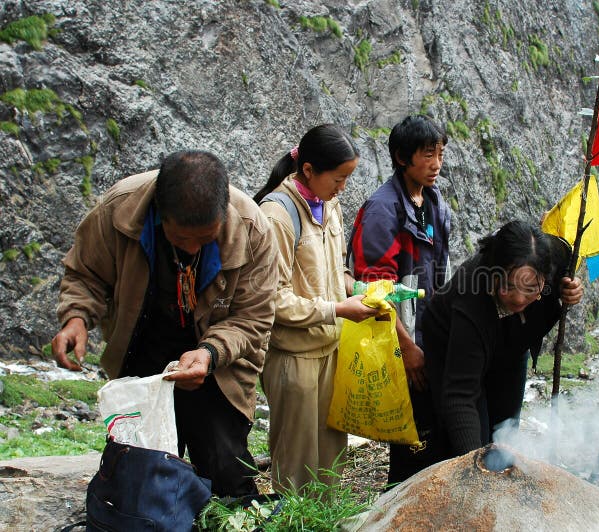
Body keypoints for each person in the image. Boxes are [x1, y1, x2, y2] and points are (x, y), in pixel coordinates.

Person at [51, 150, 278, 497]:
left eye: (205, 239)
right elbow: (86, 274)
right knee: (140, 470)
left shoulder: (252, 229)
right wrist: (77, 318)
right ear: (160, 212)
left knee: (225, 468)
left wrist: (209, 353)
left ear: (223, 214)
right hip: (143, 347)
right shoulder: (118, 210)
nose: (192, 249)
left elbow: (253, 316)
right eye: (181, 239)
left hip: (218, 363)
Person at [254, 124, 380, 493]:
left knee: (330, 461)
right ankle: (294, 518)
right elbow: (272, 299)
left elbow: (335, 270)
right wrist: (337, 310)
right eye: (338, 178)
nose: (343, 187)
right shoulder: (277, 215)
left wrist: (363, 291)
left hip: (331, 350)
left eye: (347, 178)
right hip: (294, 357)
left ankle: (327, 517)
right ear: (308, 170)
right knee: (295, 465)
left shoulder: (330, 205)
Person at [418, 220, 583, 472]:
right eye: (508, 286)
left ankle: (501, 478)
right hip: (452, 343)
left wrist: (571, 290)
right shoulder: (471, 295)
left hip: (510, 345)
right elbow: (461, 396)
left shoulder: (556, 262)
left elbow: (569, 274)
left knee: (505, 430)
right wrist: (474, 467)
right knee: (469, 433)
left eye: (531, 289)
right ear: (494, 273)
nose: (518, 298)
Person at [346, 114, 451, 484]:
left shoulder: (433, 202)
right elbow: (373, 291)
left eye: (440, 154)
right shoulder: (383, 209)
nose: (436, 164)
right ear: (402, 157)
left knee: (432, 434)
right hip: (401, 342)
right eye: (427, 154)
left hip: (428, 335)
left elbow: (439, 273)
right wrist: (405, 348)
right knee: (411, 445)